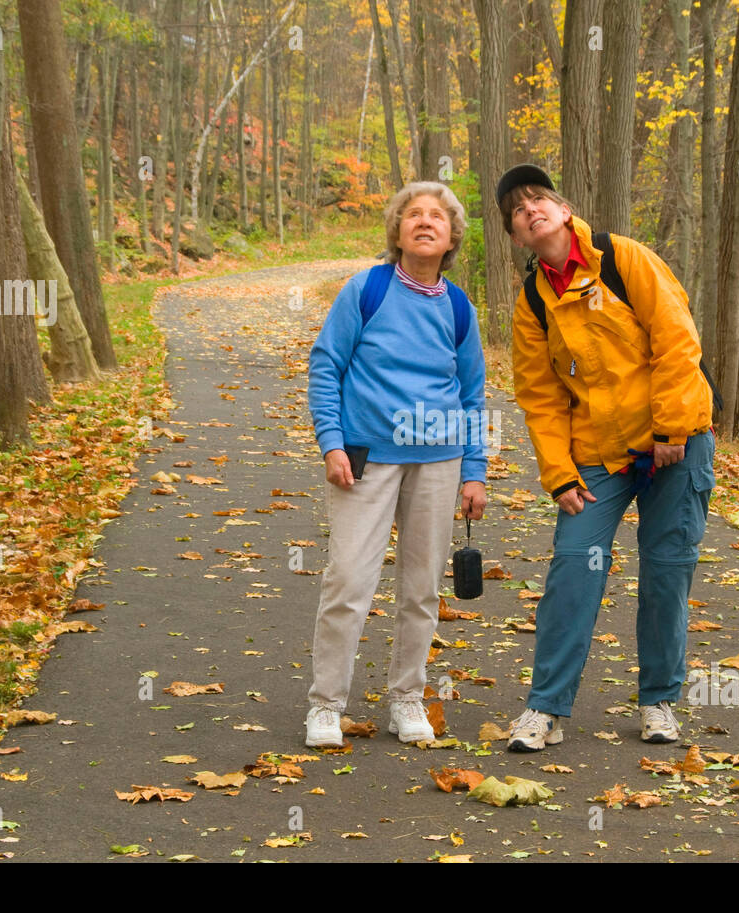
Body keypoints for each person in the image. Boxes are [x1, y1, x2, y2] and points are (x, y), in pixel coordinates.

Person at [495, 164, 716, 752]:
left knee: (666, 571)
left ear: (565, 210)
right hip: (599, 454)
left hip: (677, 442)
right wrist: (558, 474)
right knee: (574, 566)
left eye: (538, 199)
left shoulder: (624, 260)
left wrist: (671, 426)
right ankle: (545, 709)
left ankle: (659, 703)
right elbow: (539, 397)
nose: (530, 210)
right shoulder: (532, 303)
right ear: (516, 236)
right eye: (517, 210)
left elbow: (676, 338)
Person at [305, 181, 488, 748]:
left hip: (439, 461)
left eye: (438, 216)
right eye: (414, 214)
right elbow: (324, 366)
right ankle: (325, 706)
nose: (425, 222)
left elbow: (473, 394)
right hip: (364, 460)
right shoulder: (366, 290)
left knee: (421, 590)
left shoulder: (459, 308)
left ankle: (408, 698)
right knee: (349, 582)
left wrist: (474, 470)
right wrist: (332, 443)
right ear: (398, 229)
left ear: (452, 235)